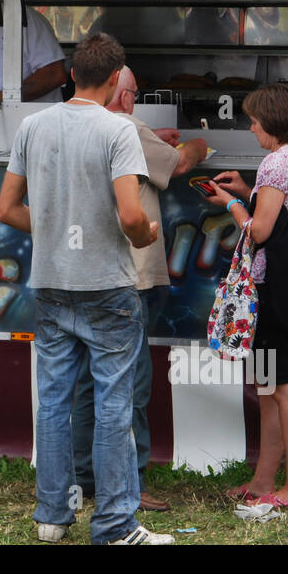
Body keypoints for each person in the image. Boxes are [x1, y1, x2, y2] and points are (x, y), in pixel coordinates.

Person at [0, 33, 172, 545]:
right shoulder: (118, 130)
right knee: (114, 402)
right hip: (108, 287)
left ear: (72, 74)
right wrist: (147, 234)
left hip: (51, 284)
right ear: (117, 79)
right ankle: (116, 524)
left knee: (53, 401)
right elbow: (132, 214)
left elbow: (7, 209)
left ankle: (52, 517)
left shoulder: (33, 126)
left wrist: (53, 226)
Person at [70, 64, 206, 513]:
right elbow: (182, 162)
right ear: (126, 96)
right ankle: (132, 480)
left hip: (81, 271)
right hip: (131, 274)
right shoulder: (128, 126)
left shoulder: (70, 123)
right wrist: (199, 142)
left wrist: (154, 138)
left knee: (87, 380)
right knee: (131, 382)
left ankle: (83, 477)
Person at [201, 84, 288, 509]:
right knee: (269, 386)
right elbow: (284, 211)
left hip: (275, 291)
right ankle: (263, 482)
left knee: (285, 389)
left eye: (253, 120)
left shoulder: (275, 164)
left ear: (270, 121)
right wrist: (249, 189)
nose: (249, 127)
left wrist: (232, 204)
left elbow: (262, 231)